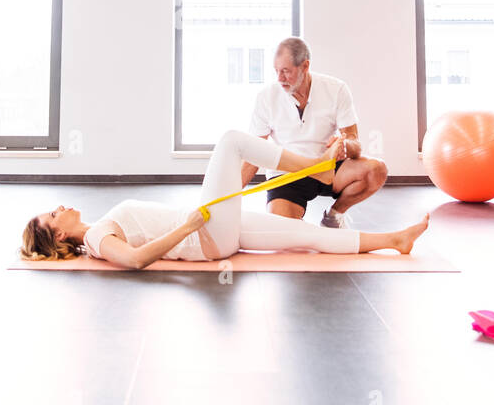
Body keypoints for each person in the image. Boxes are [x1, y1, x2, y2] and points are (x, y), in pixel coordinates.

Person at [21, 130, 427, 269]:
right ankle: (315, 167)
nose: (60, 208)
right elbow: (135, 261)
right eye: (52, 215)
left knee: (303, 234)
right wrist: (188, 227)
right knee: (232, 141)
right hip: (206, 234)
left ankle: (395, 241)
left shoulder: (97, 231)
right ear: (57, 236)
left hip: (215, 235)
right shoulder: (96, 240)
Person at [241, 37, 387, 229]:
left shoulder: (336, 89)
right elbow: (254, 153)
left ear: (305, 66)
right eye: (276, 71)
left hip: (327, 170)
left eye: (286, 71)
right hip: (288, 174)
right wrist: (221, 199)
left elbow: (354, 141)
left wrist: (345, 146)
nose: (279, 78)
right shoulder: (266, 97)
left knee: (376, 170)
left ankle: (334, 217)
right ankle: (300, 227)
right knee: (282, 231)